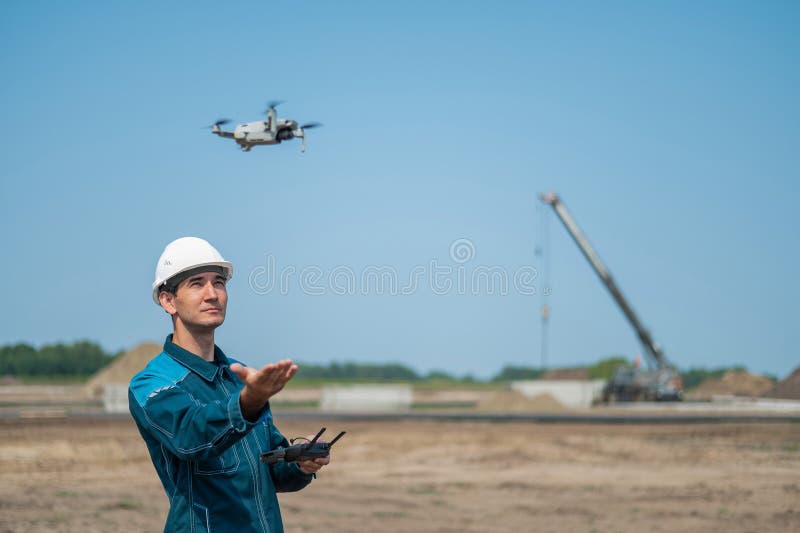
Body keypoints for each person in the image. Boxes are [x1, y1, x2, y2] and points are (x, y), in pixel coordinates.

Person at [129, 237, 328, 533]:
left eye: (219, 283)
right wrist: (248, 403)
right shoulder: (152, 384)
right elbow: (191, 436)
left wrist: (299, 461)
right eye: (197, 283)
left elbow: (269, 468)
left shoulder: (238, 377)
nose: (212, 294)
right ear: (168, 300)